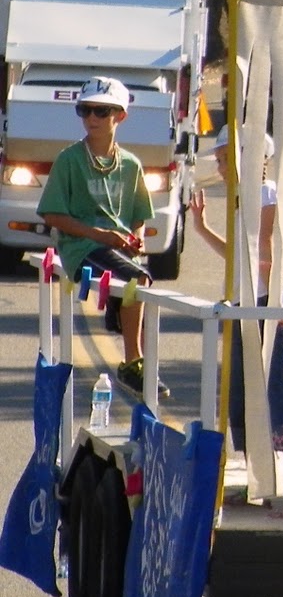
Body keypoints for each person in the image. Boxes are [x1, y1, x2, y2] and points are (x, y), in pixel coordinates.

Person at [187, 129, 283, 518]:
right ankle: (254, 479)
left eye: (227, 159)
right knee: (239, 395)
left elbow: (267, 254)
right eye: (221, 160)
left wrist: (280, 300)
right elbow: (240, 259)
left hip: (266, 304)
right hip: (245, 304)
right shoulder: (242, 200)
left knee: (274, 390)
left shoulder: (266, 194)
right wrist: (202, 229)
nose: (221, 166)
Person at [36, 75, 166, 396]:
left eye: (101, 111)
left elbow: (138, 218)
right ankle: (132, 362)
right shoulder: (69, 159)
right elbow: (51, 214)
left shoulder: (131, 165)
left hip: (116, 249)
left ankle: (139, 353)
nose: (92, 118)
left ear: (121, 116)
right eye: (85, 110)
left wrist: (136, 238)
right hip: (81, 247)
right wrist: (101, 234)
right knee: (139, 279)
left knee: (141, 280)